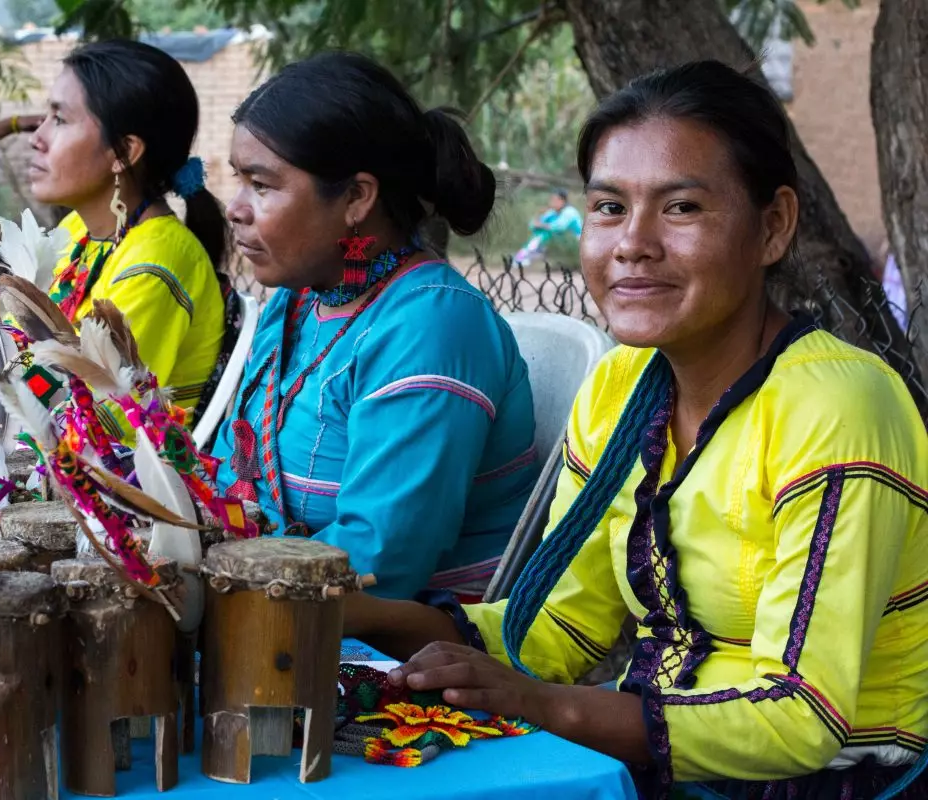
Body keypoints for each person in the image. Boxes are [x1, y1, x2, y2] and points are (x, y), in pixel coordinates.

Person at [345, 61, 928, 798]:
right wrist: (358, 615)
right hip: (661, 761)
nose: (633, 243)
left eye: (681, 208)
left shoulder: (837, 407)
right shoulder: (622, 387)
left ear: (773, 225)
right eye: (609, 207)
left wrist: (546, 706)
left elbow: (800, 719)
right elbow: (554, 634)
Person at [212, 52, 540, 601]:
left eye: (262, 185)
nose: (235, 208)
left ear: (356, 197)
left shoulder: (432, 326)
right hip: (279, 602)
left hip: (398, 647)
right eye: (238, 181)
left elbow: (380, 562)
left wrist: (209, 587)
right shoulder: (296, 303)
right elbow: (230, 471)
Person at [29, 39, 227, 416]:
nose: (37, 138)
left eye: (59, 119)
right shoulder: (79, 230)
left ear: (123, 152)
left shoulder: (155, 264)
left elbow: (92, 421)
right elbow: (11, 340)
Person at [513, 188, 583, 265]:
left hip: (575, 241)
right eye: (551, 199)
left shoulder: (569, 211)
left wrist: (541, 225)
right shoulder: (552, 212)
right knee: (540, 233)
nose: (552, 202)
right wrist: (538, 216)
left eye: (555, 200)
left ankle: (525, 255)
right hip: (559, 241)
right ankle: (526, 255)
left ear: (562, 201)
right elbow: (532, 225)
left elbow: (559, 227)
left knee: (546, 233)